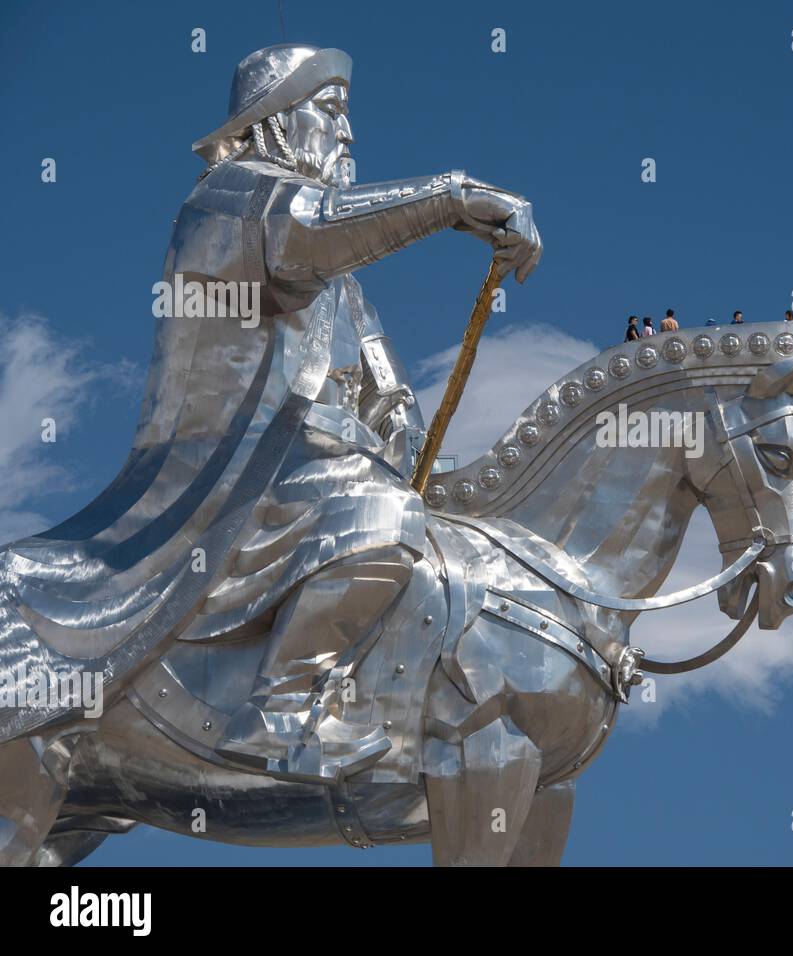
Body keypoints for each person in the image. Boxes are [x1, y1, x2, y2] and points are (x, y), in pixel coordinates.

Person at [0, 44, 544, 780]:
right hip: (248, 474)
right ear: (276, 122)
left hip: (329, 465)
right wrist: (453, 199)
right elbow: (307, 232)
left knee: (454, 540)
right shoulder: (232, 197)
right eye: (331, 112)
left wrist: (429, 463)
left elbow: (379, 390)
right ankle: (285, 712)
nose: (347, 135)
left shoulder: (340, 280)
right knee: (380, 522)